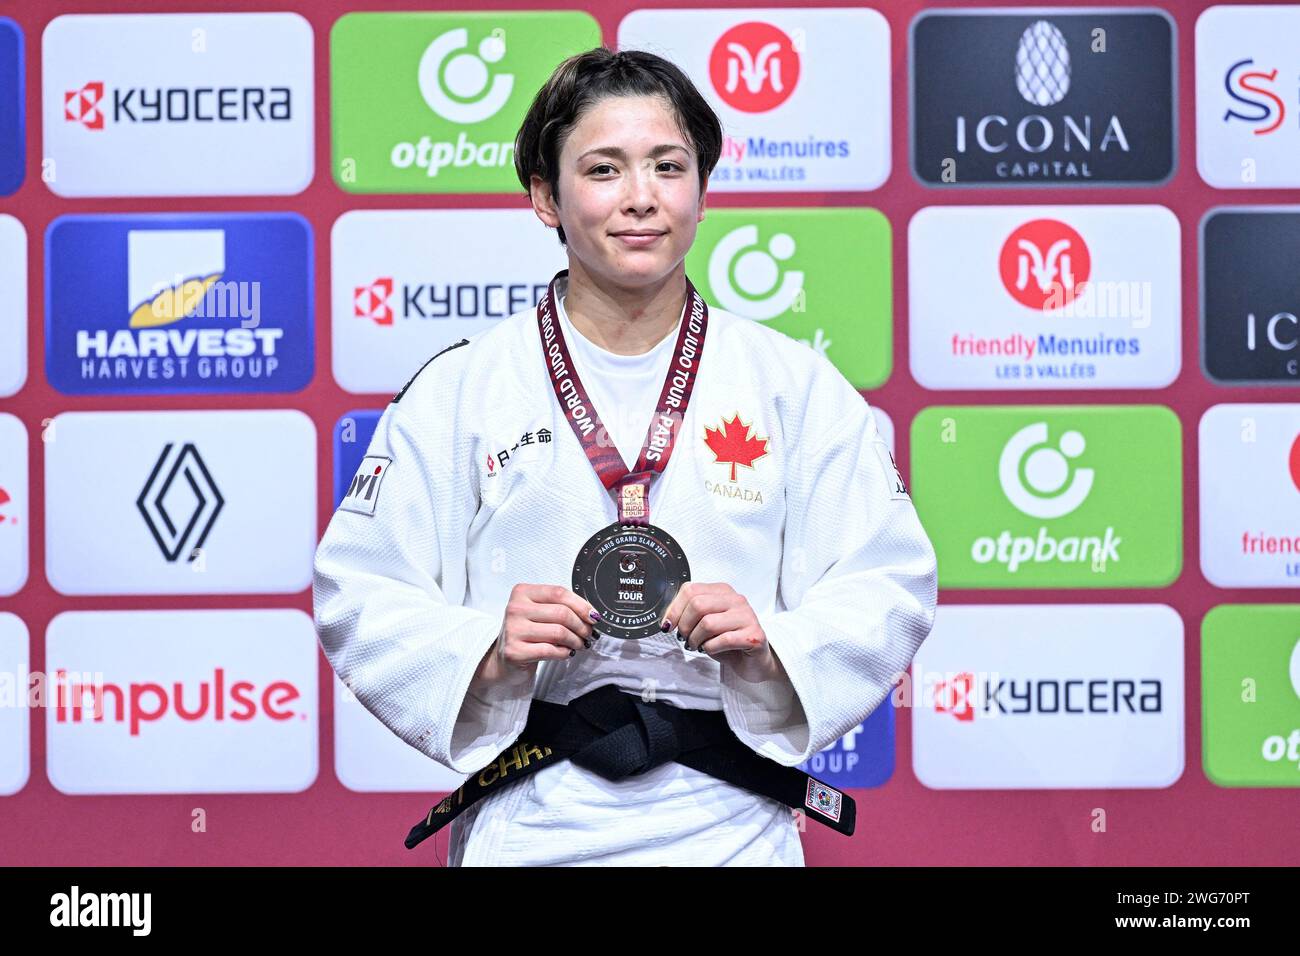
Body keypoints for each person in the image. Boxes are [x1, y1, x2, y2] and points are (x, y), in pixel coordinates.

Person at [312, 47, 938, 866]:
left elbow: (890, 578)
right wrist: (488, 651)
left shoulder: (790, 383)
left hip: (732, 829)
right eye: (603, 170)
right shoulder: (464, 387)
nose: (641, 198)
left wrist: (773, 644)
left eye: (668, 167)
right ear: (546, 197)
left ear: (703, 190)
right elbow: (359, 588)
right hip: (530, 825)